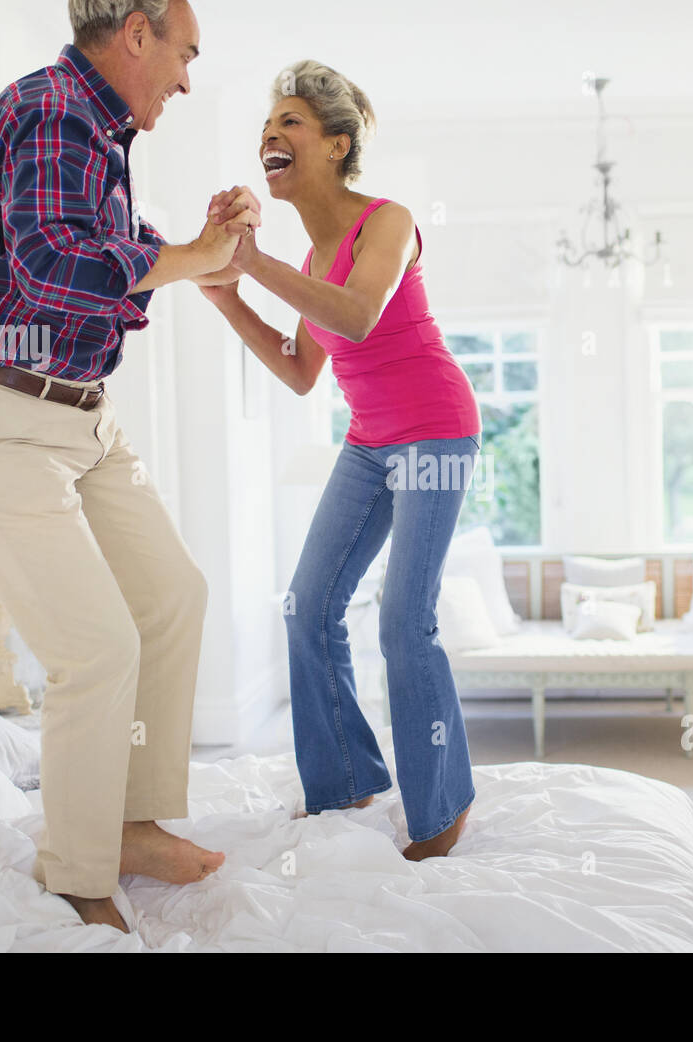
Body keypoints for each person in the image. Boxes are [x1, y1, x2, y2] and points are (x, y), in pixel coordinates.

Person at [0, 0, 259, 932]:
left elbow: (115, 249)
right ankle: (76, 873)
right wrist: (190, 258)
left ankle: (130, 825)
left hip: (82, 418)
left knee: (173, 596)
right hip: (0, 416)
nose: (188, 78)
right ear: (136, 32)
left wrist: (201, 246)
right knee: (95, 649)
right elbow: (54, 267)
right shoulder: (50, 113)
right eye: (184, 54)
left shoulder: (95, 133)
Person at [199, 60, 482, 859]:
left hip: (434, 429)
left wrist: (254, 264)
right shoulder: (311, 257)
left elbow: (357, 319)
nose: (270, 137)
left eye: (289, 123)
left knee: (403, 619)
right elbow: (298, 371)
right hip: (370, 440)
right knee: (309, 605)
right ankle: (346, 779)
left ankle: (442, 805)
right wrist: (229, 298)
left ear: (335, 144)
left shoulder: (385, 222)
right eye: (266, 129)